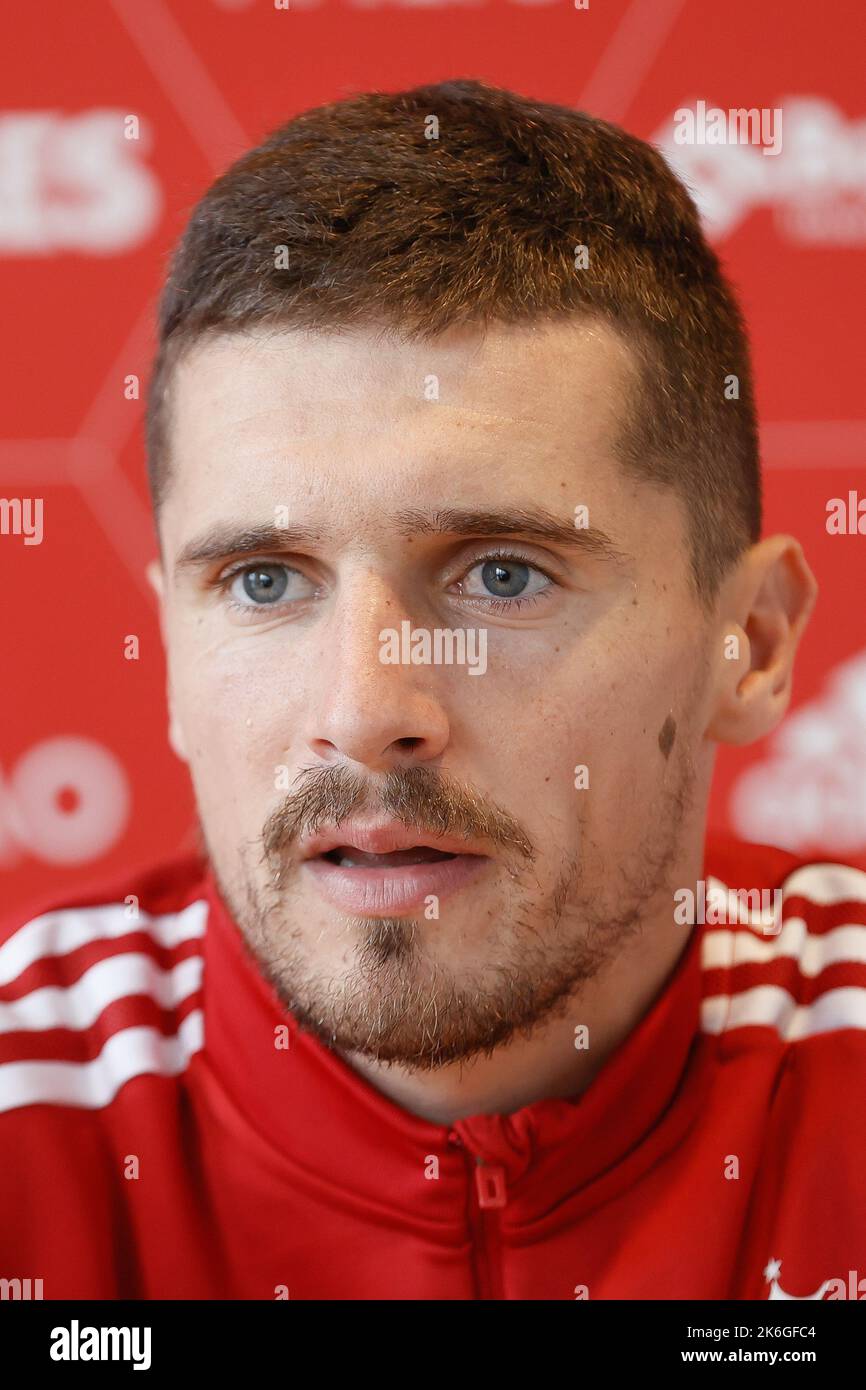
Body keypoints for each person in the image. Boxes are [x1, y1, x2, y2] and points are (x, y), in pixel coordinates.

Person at [2, 78, 864, 1302]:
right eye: (262, 582)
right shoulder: (28, 1113)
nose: (362, 710)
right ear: (173, 658)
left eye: (501, 575)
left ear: (751, 645)